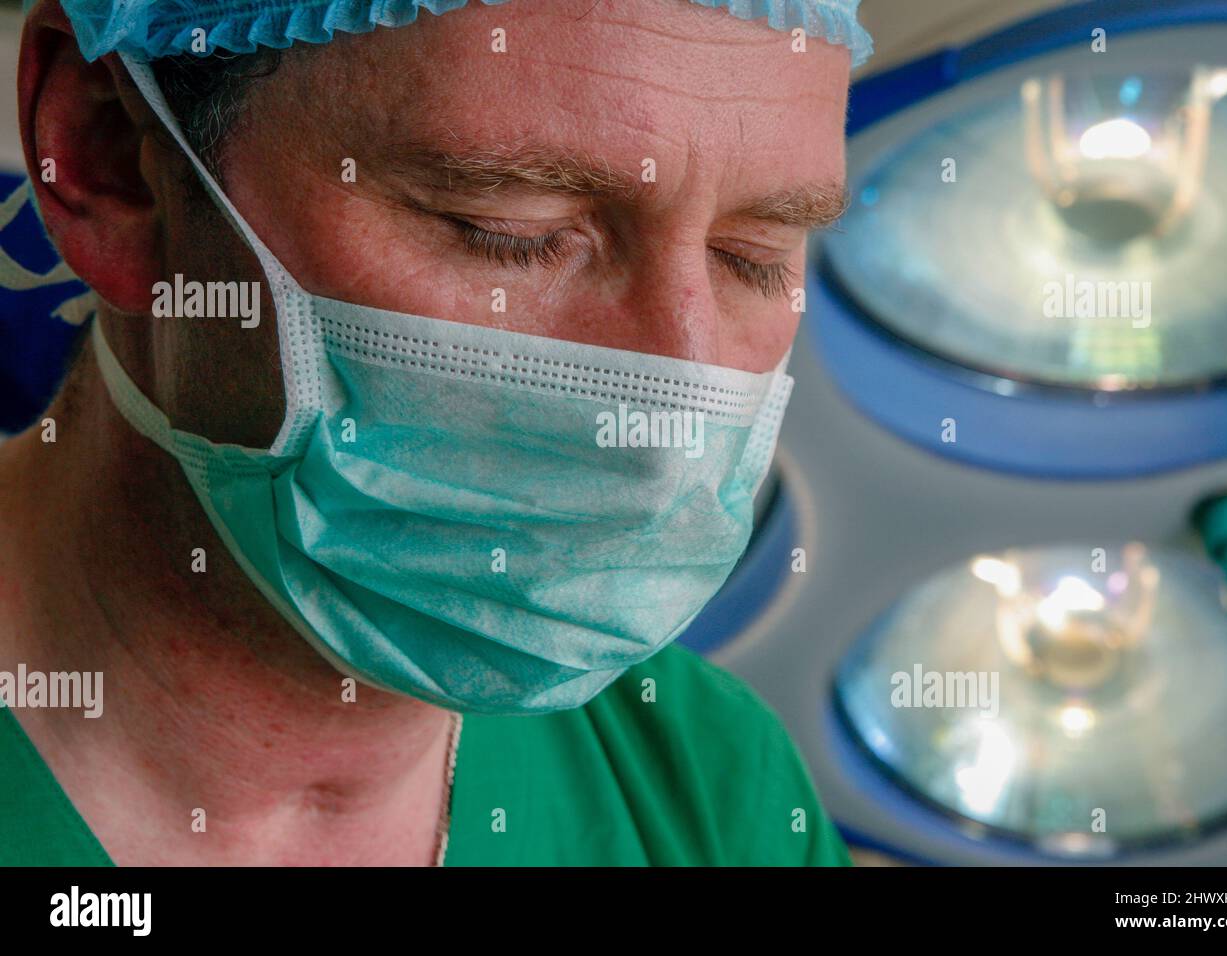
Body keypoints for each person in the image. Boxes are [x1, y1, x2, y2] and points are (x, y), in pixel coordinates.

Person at [0, 0, 870, 866]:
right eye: (510, 231)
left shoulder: (712, 794)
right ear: (105, 157)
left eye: (754, 255)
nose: (665, 430)